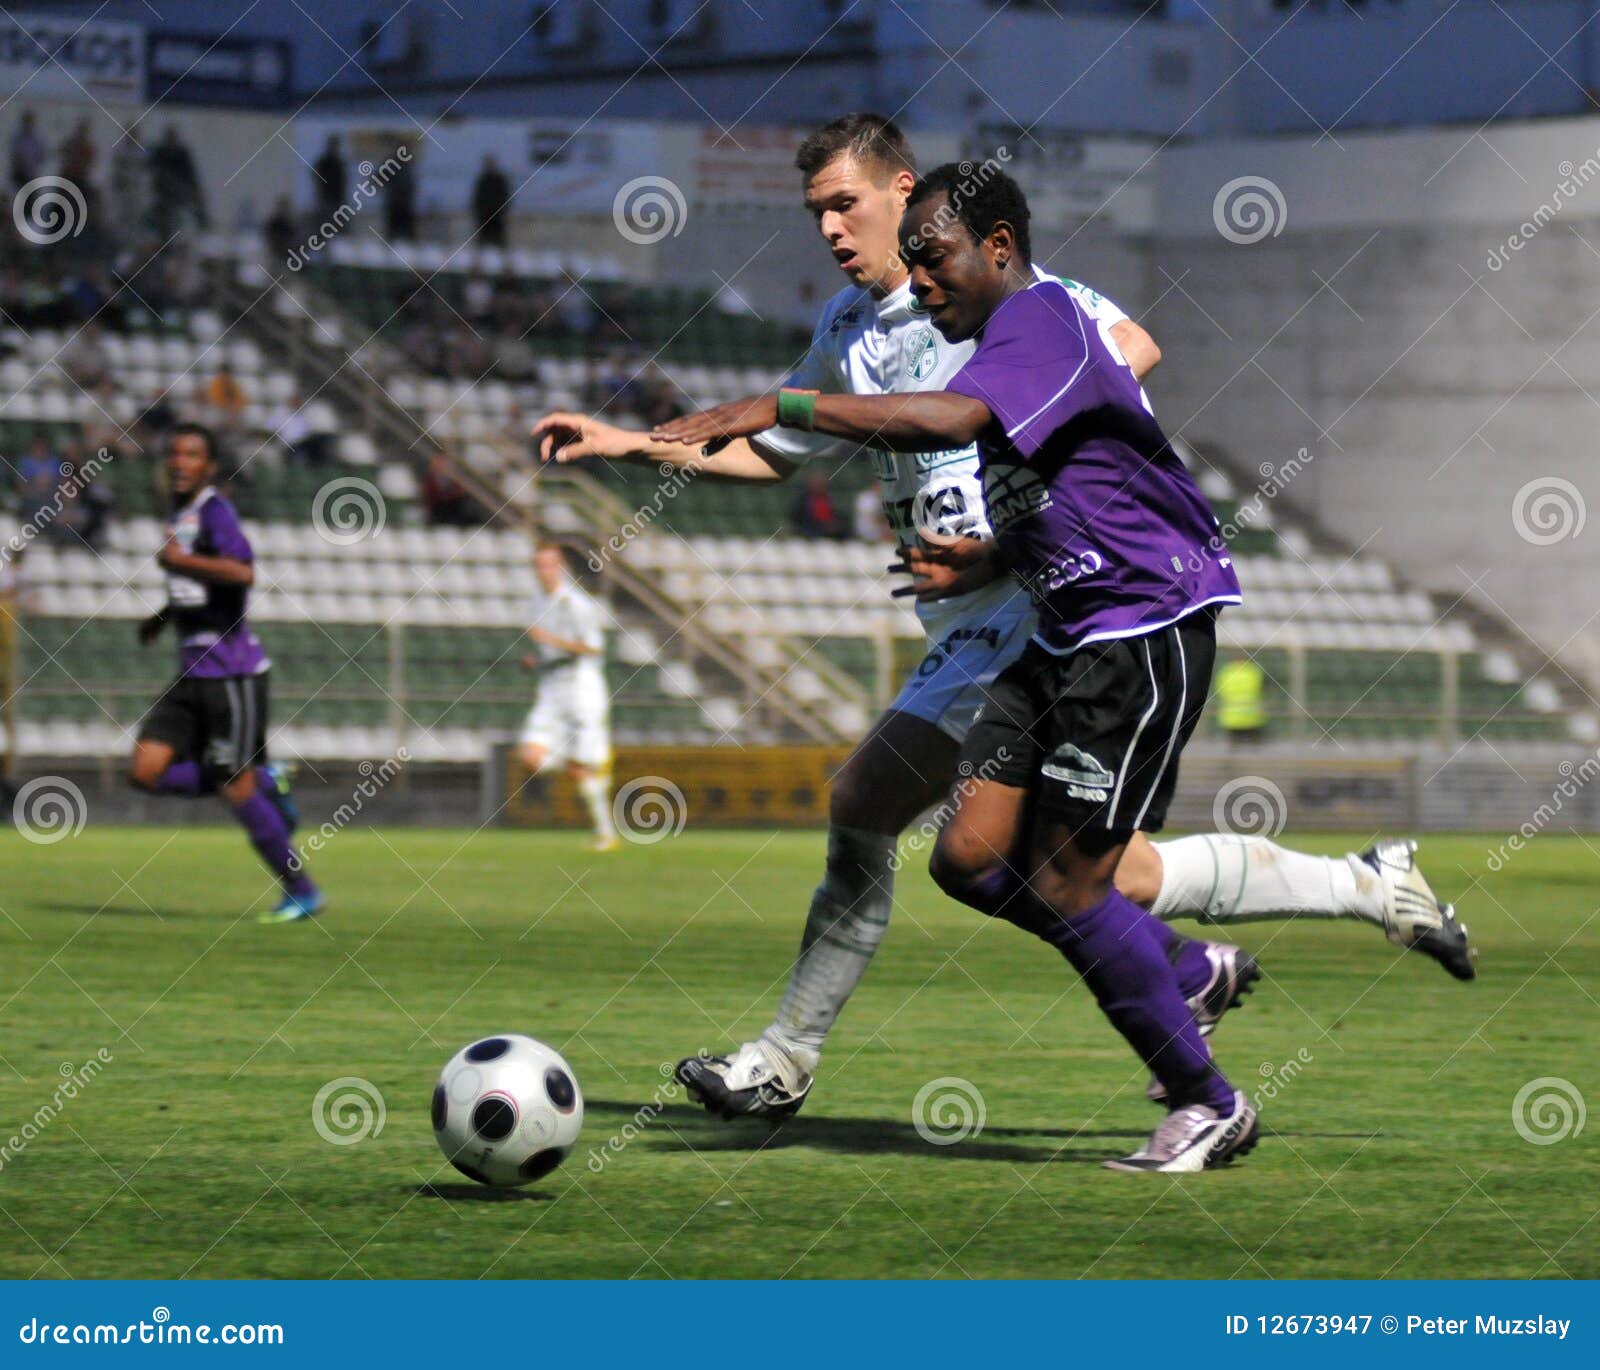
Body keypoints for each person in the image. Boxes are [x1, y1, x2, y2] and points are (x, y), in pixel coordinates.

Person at [533, 113, 1472, 1131]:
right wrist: (629, 443)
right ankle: (1299, 914)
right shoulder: (847, 335)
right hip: (971, 615)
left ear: (904, 191)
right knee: (1066, 868)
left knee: (870, 806)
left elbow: (1129, 346)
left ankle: (785, 1056)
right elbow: (773, 455)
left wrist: (1025, 458)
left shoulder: (1007, 302)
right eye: (817, 215)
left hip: (1035, 605)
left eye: (847, 204)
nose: (833, 230)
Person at [127, 424, 319, 923]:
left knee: (234, 789)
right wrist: (163, 617)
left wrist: (182, 563)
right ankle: (263, 779)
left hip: (231, 674)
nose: (180, 462)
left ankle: (301, 888)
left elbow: (242, 573)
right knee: (146, 771)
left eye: (192, 454)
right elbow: (198, 588)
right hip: (190, 674)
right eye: (175, 453)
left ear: (208, 466)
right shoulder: (180, 514)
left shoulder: (215, 511)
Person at [517, 543, 617, 852]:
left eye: (549, 565)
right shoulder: (536, 602)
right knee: (530, 757)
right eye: (539, 565)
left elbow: (594, 647)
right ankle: (587, 766)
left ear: (560, 568)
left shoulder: (576, 603)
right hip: (551, 684)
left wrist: (552, 641)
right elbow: (545, 646)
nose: (543, 571)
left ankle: (606, 833)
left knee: (580, 762)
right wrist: (537, 657)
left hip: (580, 685)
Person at [790, 470, 844, 538]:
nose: (820, 485)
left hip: (831, 534)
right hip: (811, 533)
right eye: (817, 483)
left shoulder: (829, 498)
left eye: (821, 483)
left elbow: (837, 516)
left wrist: (834, 525)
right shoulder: (802, 500)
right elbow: (799, 520)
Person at [472, 155, 511, 247]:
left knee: (500, 241)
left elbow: (505, 195)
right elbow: (477, 198)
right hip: (484, 216)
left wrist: (502, 209)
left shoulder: (499, 179)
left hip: (497, 215)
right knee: (482, 241)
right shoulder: (482, 180)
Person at [313, 135, 346, 225]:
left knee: (337, 226)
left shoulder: (340, 163)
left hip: (338, 199)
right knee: (326, 225)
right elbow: (316, 177)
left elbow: (343, 183)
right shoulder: (323, 162)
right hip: (325, 199)